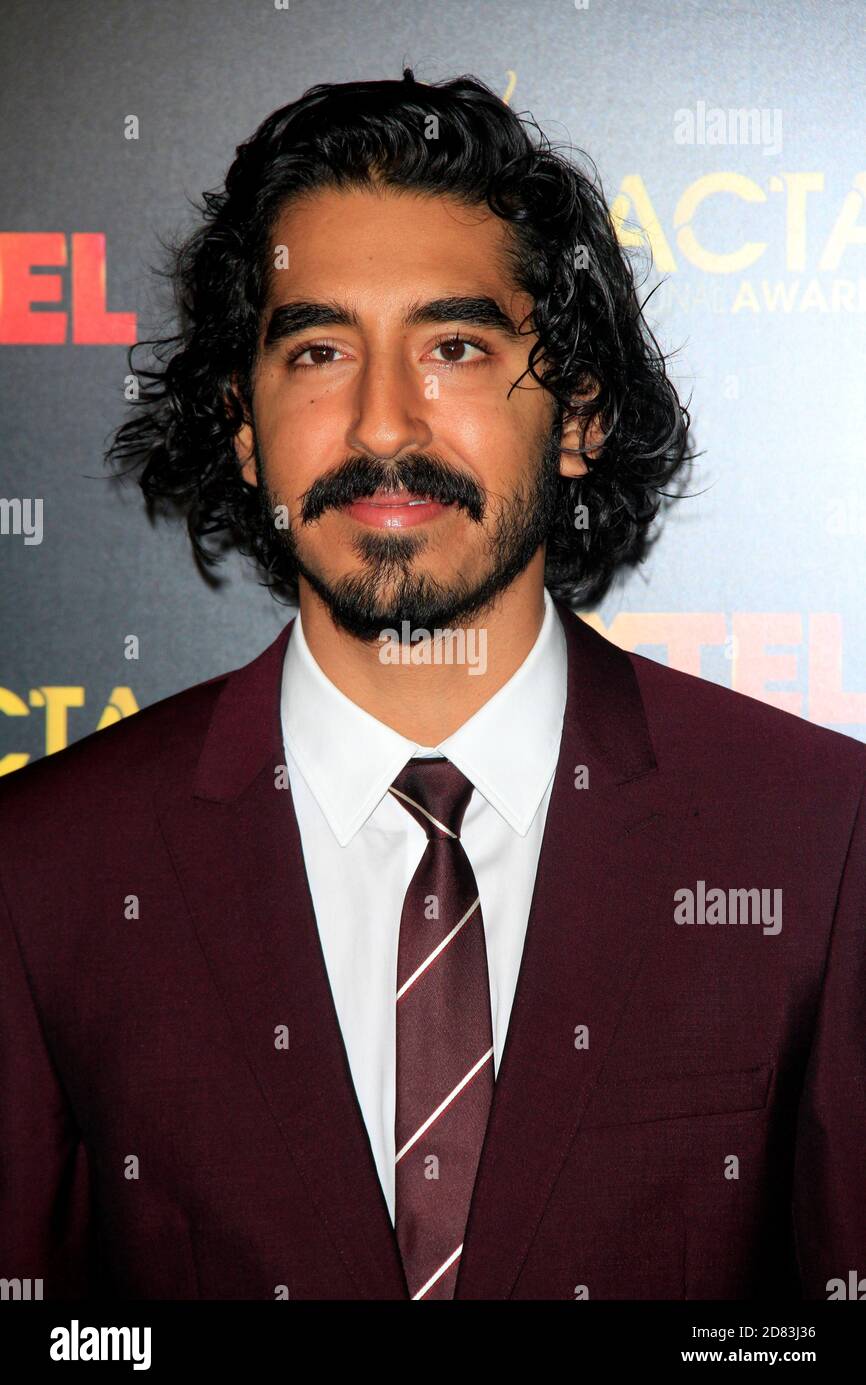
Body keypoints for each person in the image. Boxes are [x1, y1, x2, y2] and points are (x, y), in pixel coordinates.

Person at [1, 70, 863, 1302]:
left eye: (454, 346)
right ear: (245, 434)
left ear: (575, 414)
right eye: (316, 350)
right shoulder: (48, 871)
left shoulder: (814, 835)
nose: (381, 424)